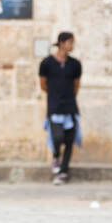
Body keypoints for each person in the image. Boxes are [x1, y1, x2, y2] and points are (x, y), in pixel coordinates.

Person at [39, 32, 82, 184]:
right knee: (57, 137)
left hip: (70, 106)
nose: (72, 46)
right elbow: (43, 85)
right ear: (62, 43)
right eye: (70, 42)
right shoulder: (47, 63)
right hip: (54, 106)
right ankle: (56, 156)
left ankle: (63, 172)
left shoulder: (75, 64)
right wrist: (55, 95)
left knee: (69, 141)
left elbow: (76, 86)